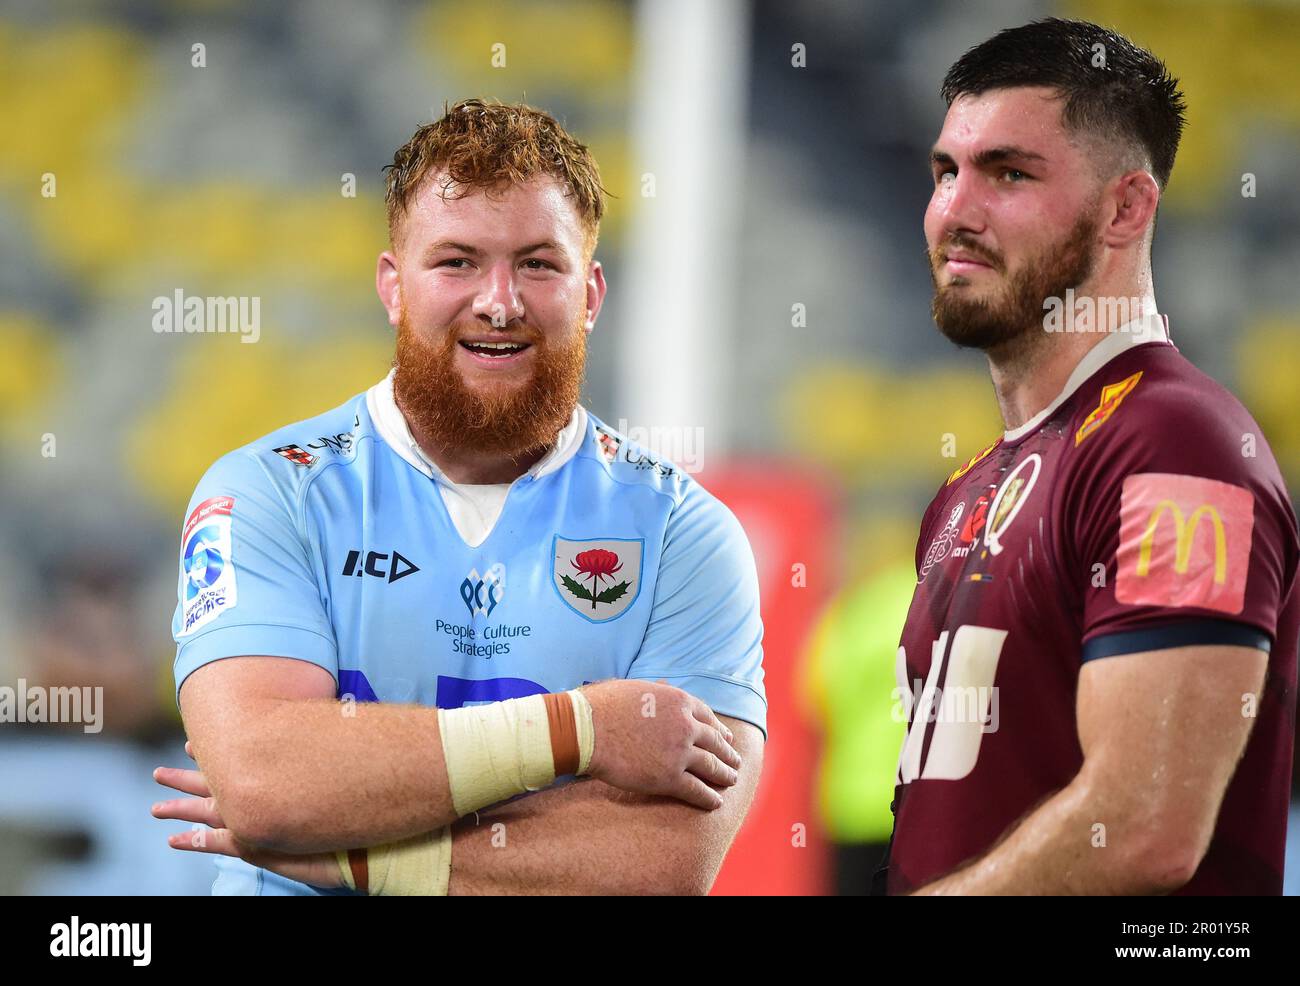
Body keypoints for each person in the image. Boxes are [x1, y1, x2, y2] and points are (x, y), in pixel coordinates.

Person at [152, 99, 766, 895]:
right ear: (393, 286)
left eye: (539, 264)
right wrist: (582, 729)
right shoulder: (268, 491)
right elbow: (267, 786)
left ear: (591, 294)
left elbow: (665, 865)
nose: (500, 301)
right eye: (457, 262)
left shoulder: (686, 532)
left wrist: (349, 856)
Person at [881, 19, 1298, 895]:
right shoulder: (964, 490)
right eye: (945, 172)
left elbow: (1146, 829)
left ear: (1125, 207)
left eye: (1009, 173)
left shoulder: (1179, 447)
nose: (955, 211)